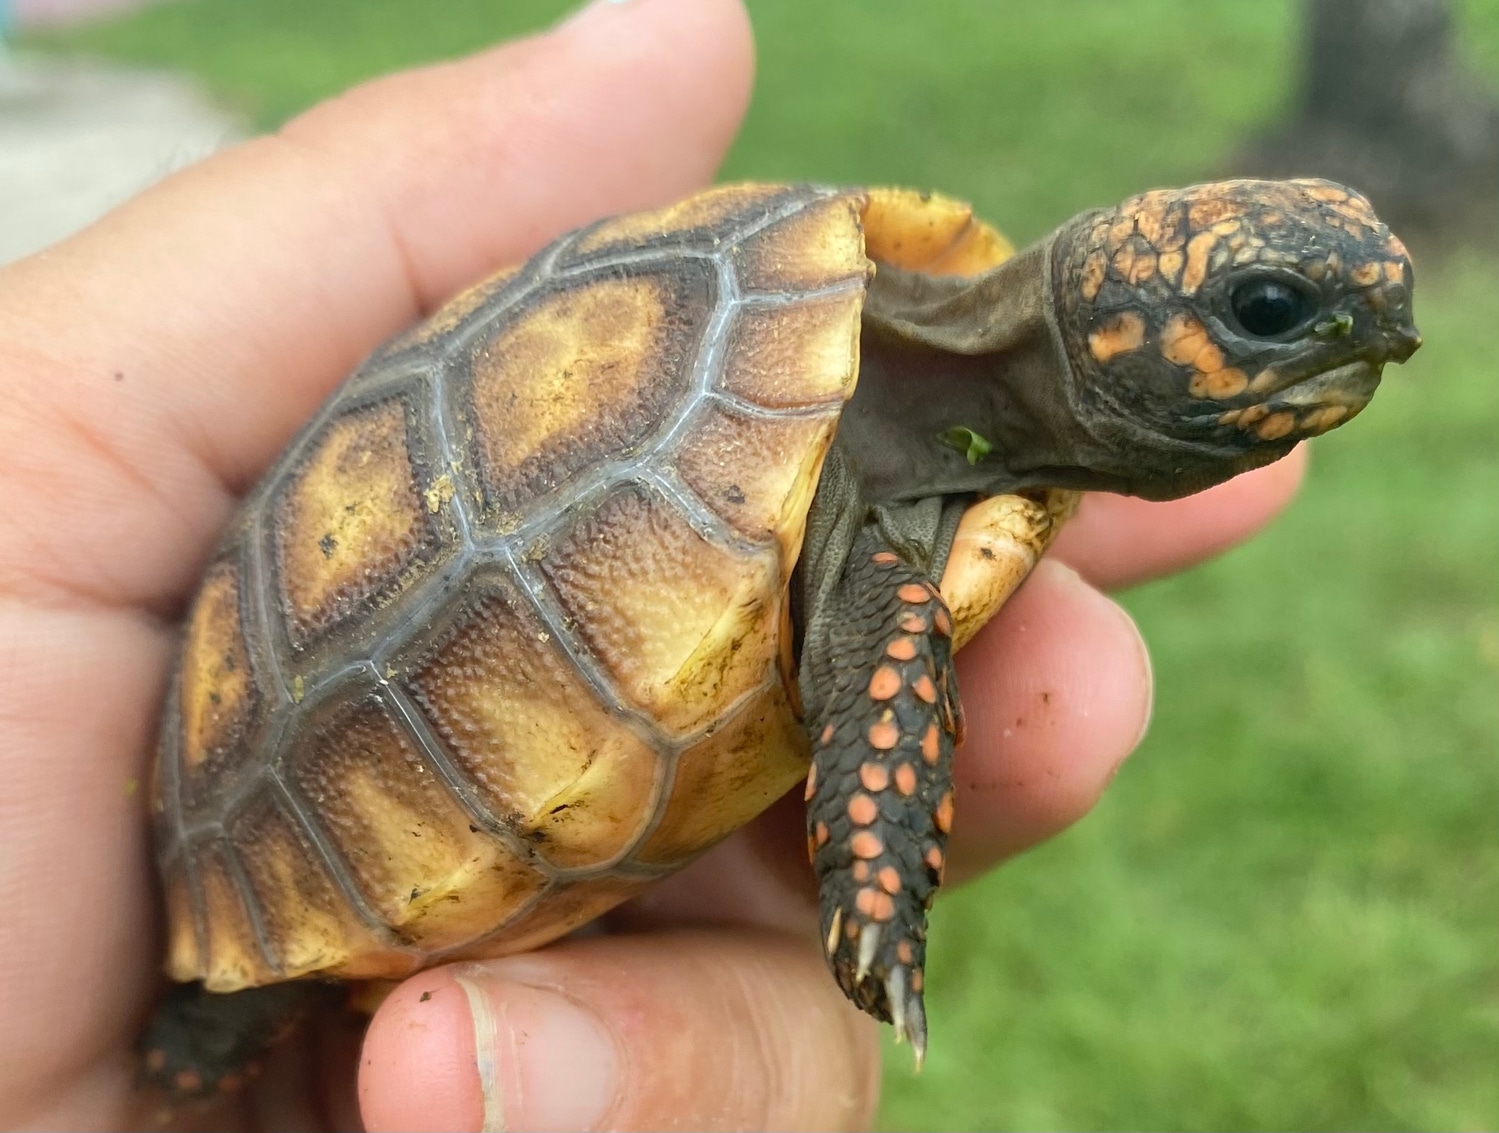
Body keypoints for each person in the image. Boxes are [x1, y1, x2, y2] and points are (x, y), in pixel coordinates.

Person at [0, 0, 1308, 1128]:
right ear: (1114, 332)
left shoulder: (919, 481)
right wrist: (876, 861)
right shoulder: (879, 526)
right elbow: (878, 633)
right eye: (1267, 317)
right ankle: (185, 1053)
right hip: (276, 747)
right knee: (891, 619)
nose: (1359, 343)